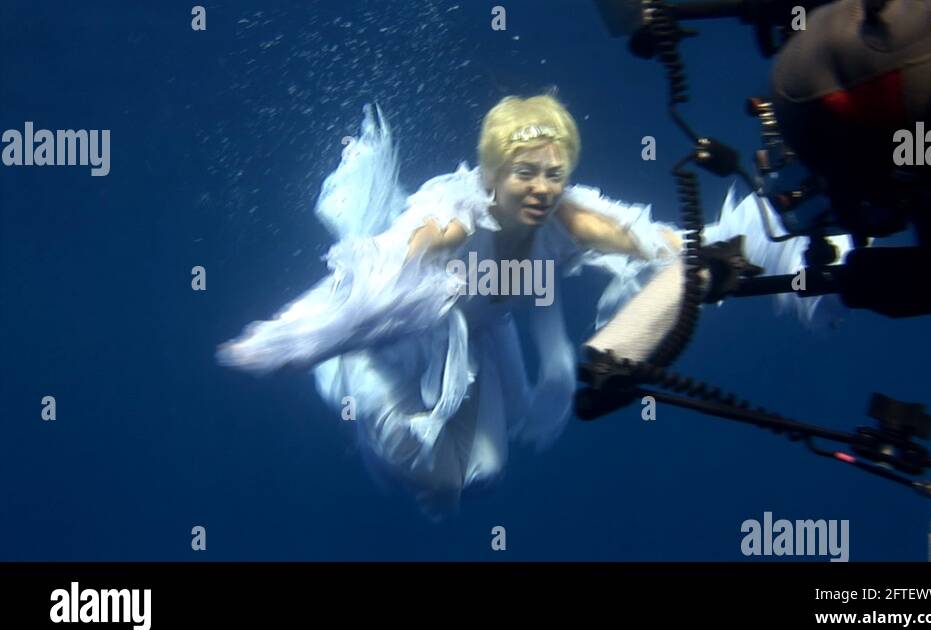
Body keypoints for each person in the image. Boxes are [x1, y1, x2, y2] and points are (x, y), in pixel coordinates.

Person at [217, 94, 812, 517]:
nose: (542, 187)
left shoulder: (571, 218)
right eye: (525, 173)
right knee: (409, 448)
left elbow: (655, 239)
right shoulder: (455, 218)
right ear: (493, 173)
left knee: (479, 477)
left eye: (554, 173)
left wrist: (740, 250)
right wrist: (310, 333)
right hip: (405, 332)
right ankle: (347, 369)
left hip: (476, 343)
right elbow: (390, 261)